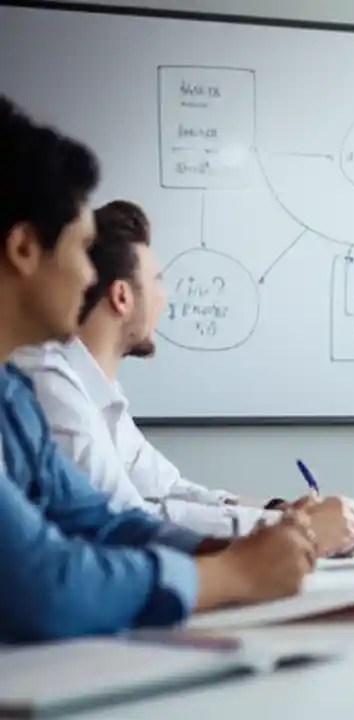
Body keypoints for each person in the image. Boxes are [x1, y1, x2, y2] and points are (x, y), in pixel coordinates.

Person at [0, 95, 315, 642]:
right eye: (80, 249)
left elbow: (101, 520)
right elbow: (41, 583)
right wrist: (230, 573)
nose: (85, 277)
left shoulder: (12, 396)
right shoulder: (42, 383)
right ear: (25, 248)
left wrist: (235, 549)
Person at [11, 200, 354, 554]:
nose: (165, 298)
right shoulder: (49, 381)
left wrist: (275, 510)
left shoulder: (101, 391)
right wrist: (294, 528)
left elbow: (168, 489)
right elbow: (128, 517)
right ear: (122, 297)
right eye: (158, 281)